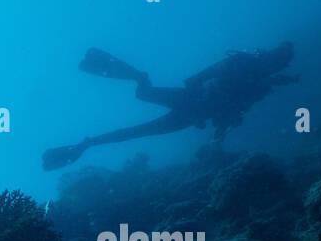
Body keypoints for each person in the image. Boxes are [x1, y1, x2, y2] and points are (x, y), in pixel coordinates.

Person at [42, 43, 297, 170]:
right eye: (279, 62)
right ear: (273, 58)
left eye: (281, 64)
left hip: (193, 109)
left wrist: (221, 127)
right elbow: (212, 83)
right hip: (192, 102)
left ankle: (87, 143)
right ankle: (129, 75)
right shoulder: (245, 64)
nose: (277, 66)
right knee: (143, 102)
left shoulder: (259, 82)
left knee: (141, 127)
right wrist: (214, 108)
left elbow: (234, 108)